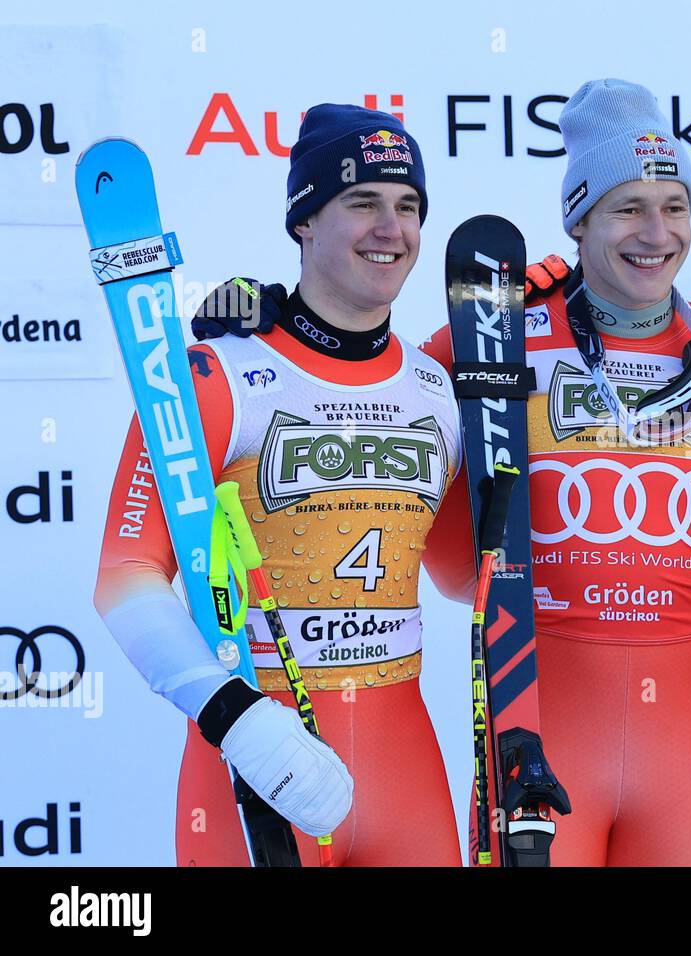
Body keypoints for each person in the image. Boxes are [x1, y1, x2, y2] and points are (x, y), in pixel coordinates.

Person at [195, 79, 691, 866]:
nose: (656, 231)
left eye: (675, 205)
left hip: (687, 751)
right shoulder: (487, 341)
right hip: (540, 733)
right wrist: (263, 314)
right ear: (577, 217)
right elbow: (360, 375)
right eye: (626, 207)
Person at [95, 104, 472, 866]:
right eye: (361, 202)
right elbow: (123, 577)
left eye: (408, 207)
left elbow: (467, 574)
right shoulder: (214, 373)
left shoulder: (438, 390)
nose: (389, 229)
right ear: (302, 220)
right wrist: (233, 714)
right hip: (250, 765)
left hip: (406, 777)